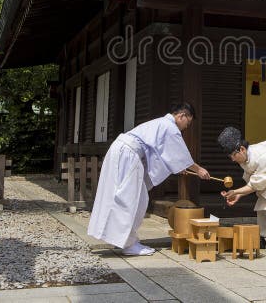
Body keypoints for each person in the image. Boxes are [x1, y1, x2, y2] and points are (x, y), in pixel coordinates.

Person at [88, 102, 210, 255]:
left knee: (118, 195)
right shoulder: (170, 127)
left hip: (122, 152)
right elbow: (180, 155)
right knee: (132, 199)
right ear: (182, 116)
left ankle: (123, 240)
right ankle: (128, 244)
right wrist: (199, 170)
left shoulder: (161, 124)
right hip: (128, 155)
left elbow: (164, 155)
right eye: (188, 122)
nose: (187, 127)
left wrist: (179, 167)